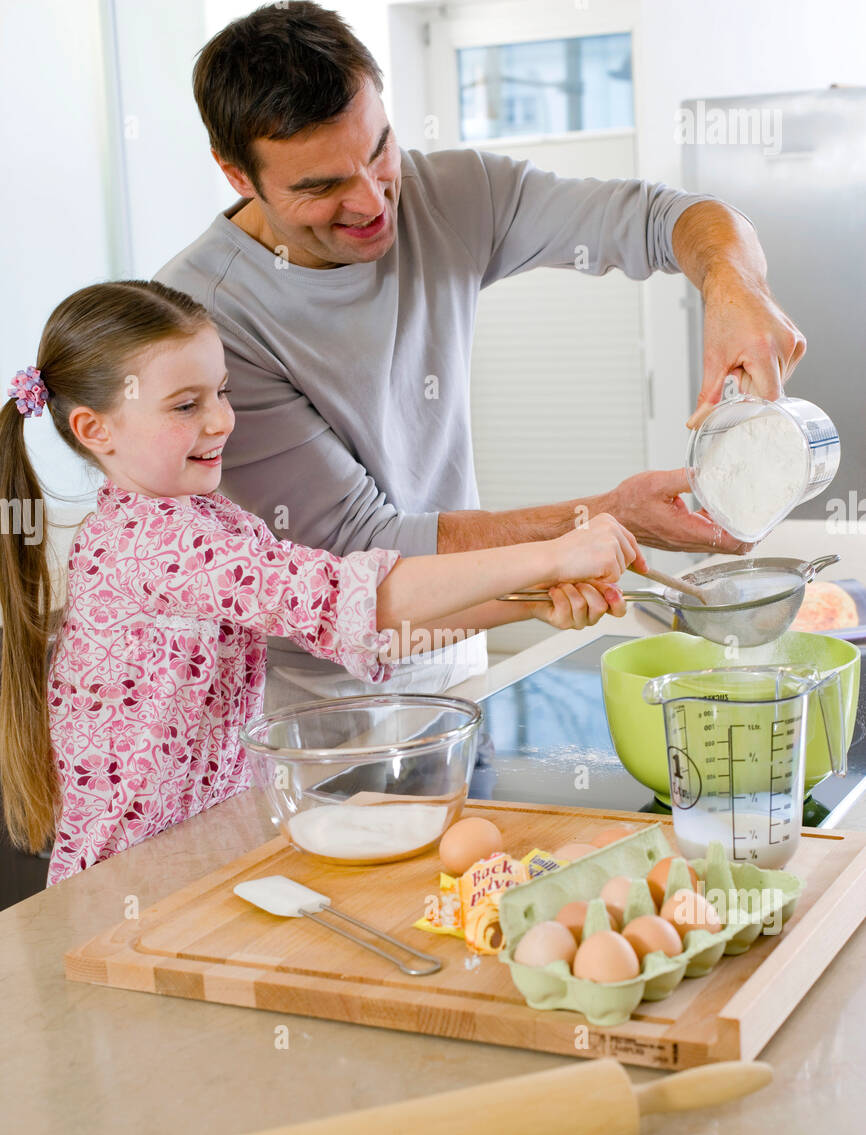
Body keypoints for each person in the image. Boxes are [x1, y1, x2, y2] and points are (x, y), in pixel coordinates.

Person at [155, 1, 806, 708]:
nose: (373, 201)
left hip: (461, 648)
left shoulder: (450, 194)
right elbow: (363, 547)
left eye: (379, 151)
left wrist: (732, 282)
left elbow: (659, 216)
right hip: (313, 694)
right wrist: (601, 520)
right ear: (237, 175)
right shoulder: (197, 320)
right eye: (321, 187)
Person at [0, 280, 644, 884]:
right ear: (94, 429)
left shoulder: (204, 517)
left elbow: (356, 624)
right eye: (186, 405)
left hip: (201, 850)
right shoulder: (148, 543)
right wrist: (549, 558)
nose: (221, 420)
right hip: (133, 880)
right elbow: (349, 602)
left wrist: (531, 603)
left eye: (221, 392)